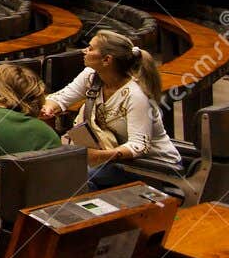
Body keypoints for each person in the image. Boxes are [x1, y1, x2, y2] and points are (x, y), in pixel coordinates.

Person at [41, 29, 180, 189]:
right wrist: (49, 108)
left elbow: (139, 145)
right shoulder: (91, 76)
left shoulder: (136, 95)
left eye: (91, 48)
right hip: (116, 160)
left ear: (107, 59)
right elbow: (61, 98)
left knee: (76, 178)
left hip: (150, 165)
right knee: (64, 171)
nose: (84, 50)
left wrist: (98, 156)